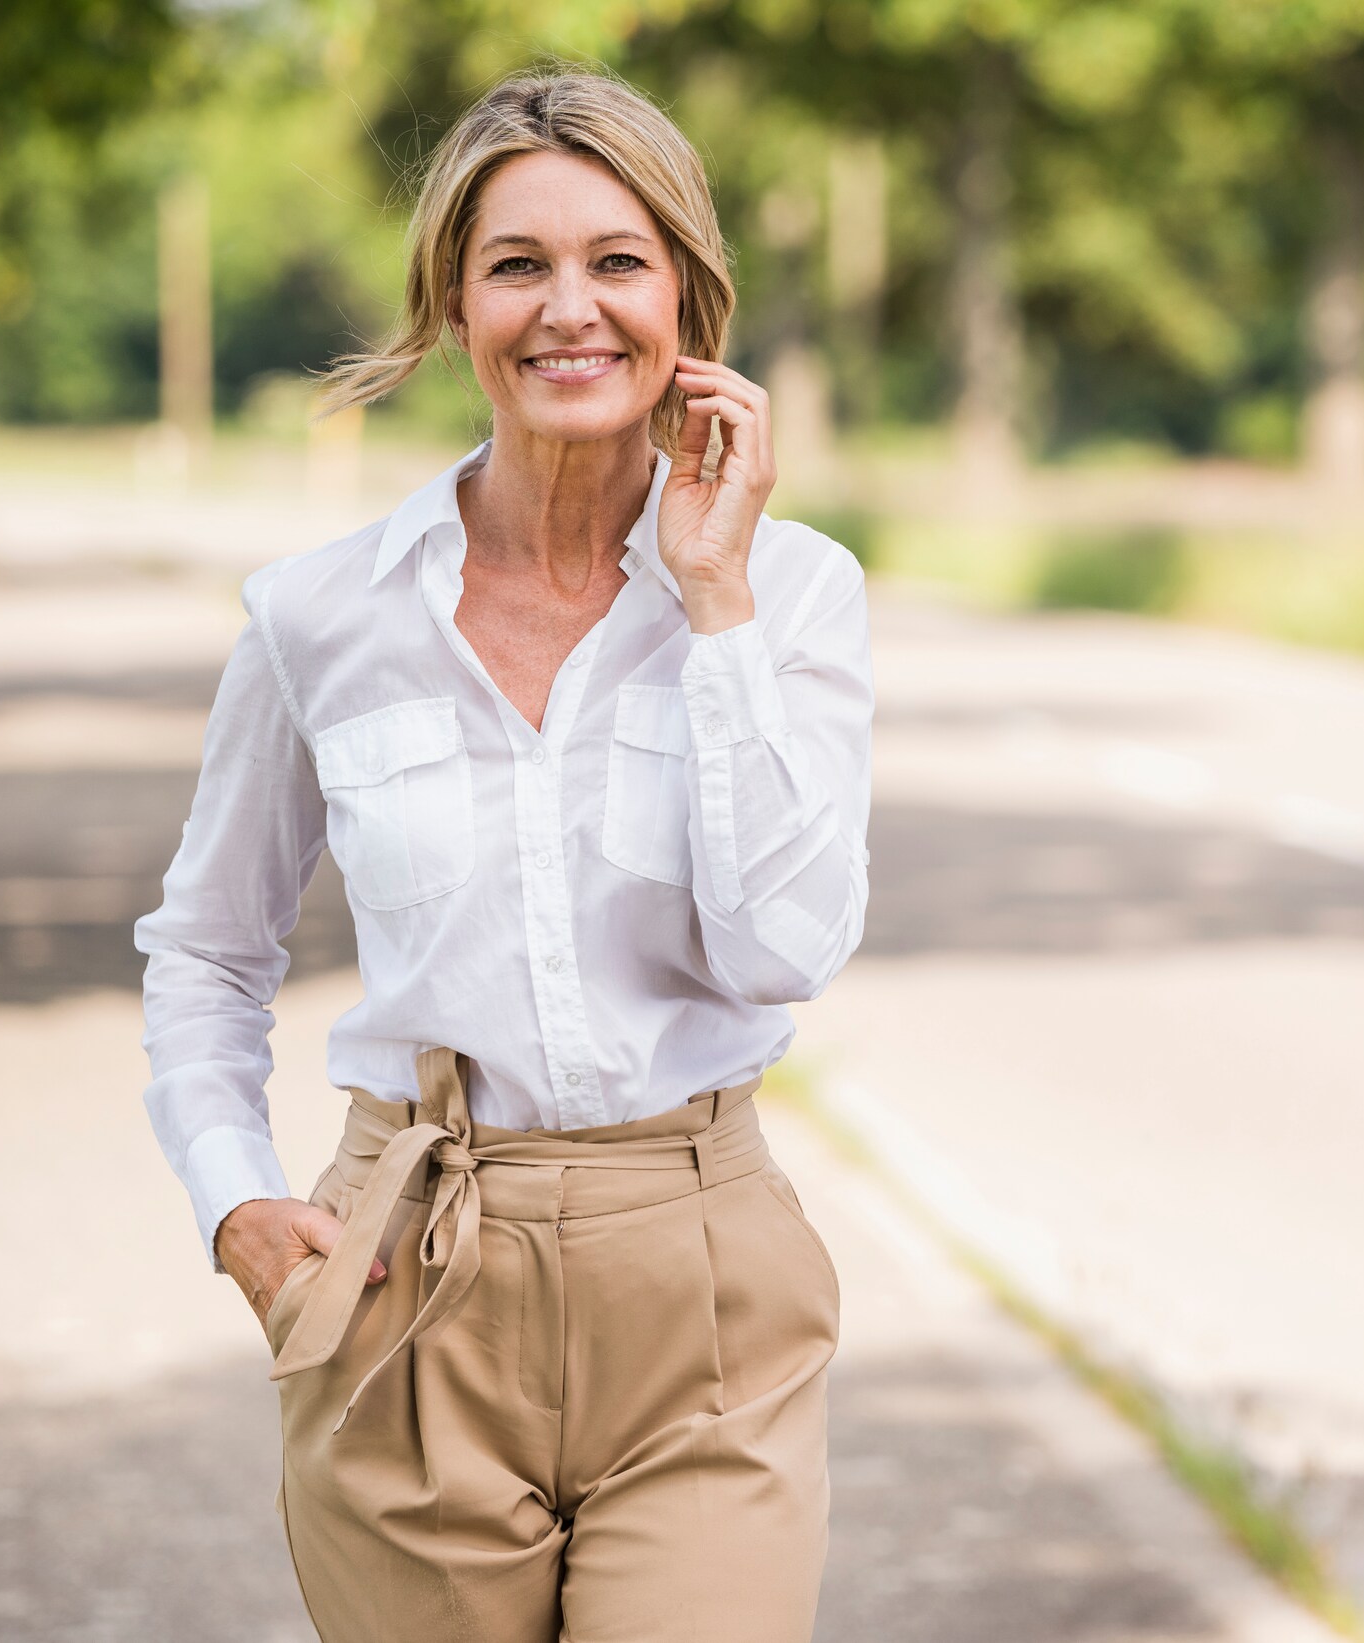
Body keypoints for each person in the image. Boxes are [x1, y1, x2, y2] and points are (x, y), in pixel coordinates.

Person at [134, 69, 871, 1643]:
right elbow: (207, 946)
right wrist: (234, 1204)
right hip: (407, 1277)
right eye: (516, 264)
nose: (570, 310)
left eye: (619, 261)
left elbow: (784, 950)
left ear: (686, 294)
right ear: (453, 305)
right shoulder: (320, 615)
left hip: (700, 1280)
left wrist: (717, 602)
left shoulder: (792, 596)